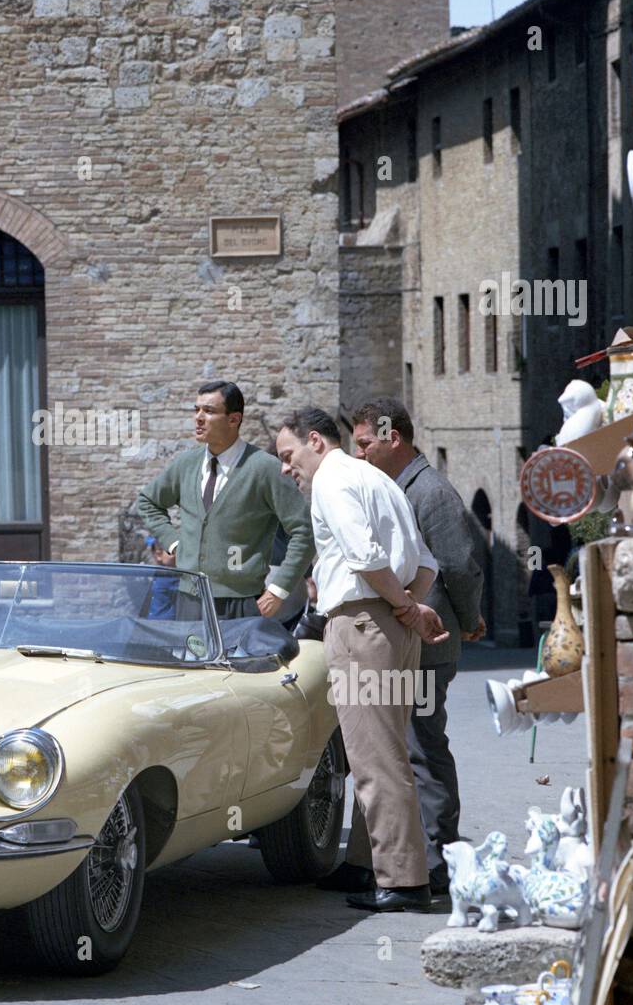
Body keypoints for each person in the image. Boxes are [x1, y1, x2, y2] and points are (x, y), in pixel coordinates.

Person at [275, 406, 447, 915]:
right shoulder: (377, 478)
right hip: (387, 625)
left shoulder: (331, 479)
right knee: (378, 747)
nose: (287, 469)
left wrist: (401, 607)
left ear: (315, 441)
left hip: (363, 622)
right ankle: (367, 862)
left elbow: (366, 556)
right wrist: (410, 609)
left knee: (376, 756)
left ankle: (404, 881)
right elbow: (427, 563)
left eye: (288, 456)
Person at [352, 398, 486, 895]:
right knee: (399, 748)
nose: (360, 453)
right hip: (408, 640)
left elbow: (460, 564)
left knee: (423, 749)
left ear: (394, 438)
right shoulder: (397, 486)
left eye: (366, 443)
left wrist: (470, 620)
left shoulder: (430, 491)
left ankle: (437, 860)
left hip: (431, 646)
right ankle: (399, 856)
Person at [137, 380, 313, 620]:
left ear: (234, 419)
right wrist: (174, 543)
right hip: (189, 599)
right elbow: (147, 501)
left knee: (241, 659)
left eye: (208, 411)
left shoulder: (265, 469)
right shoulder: (186, 464)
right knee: (189, 658)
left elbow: (304, 530)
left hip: (242, 603)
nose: (198, 418)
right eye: (196, 409)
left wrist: (278, 590)